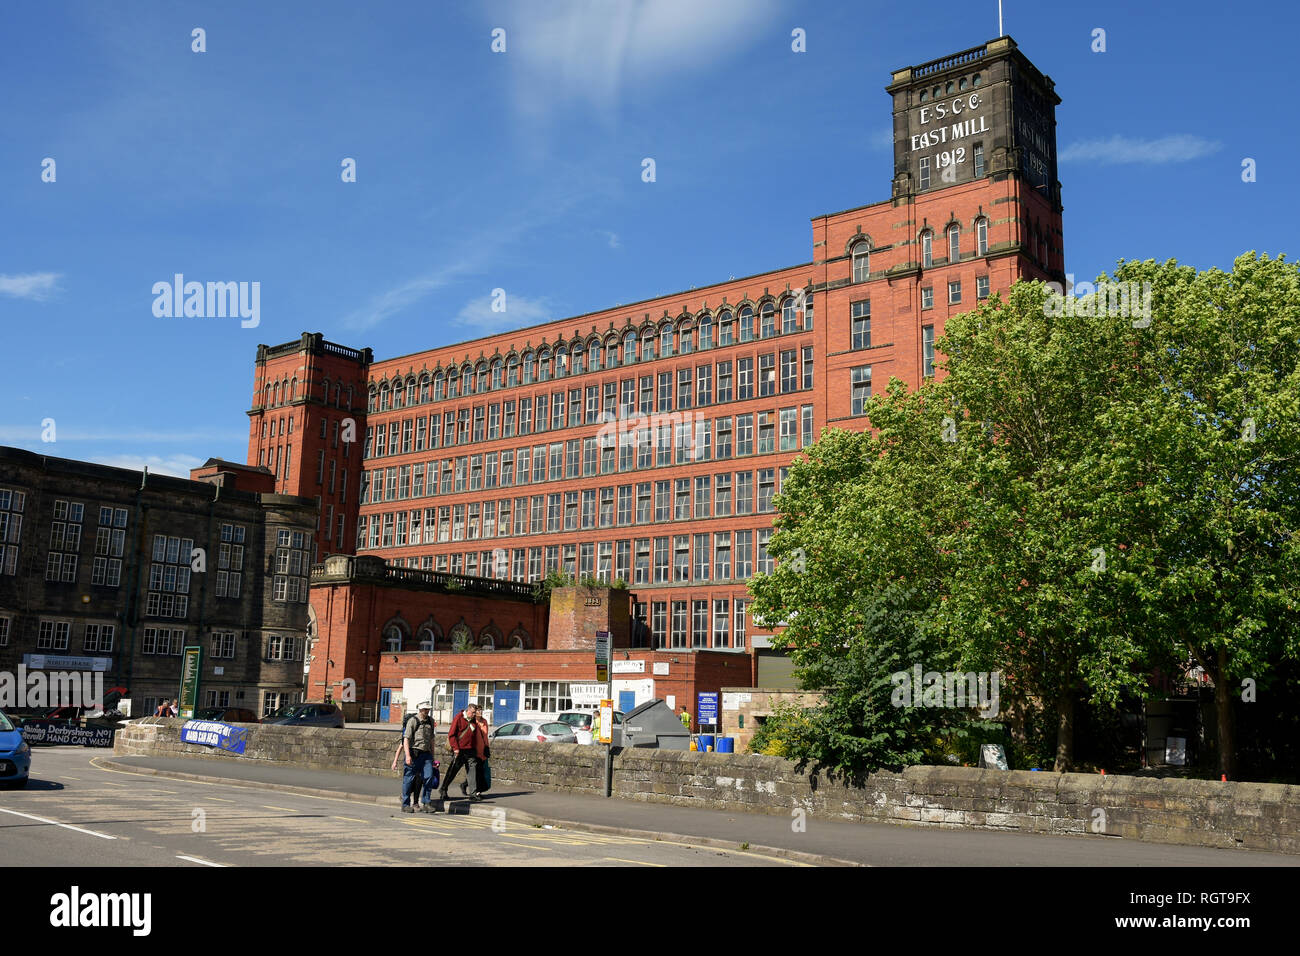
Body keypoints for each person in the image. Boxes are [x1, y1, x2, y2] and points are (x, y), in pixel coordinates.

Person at [440, 702, 488, 804]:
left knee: (472, 771)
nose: (475, 715)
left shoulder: (473, 720)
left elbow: (474, 736)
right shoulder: (458, 718)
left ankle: (473, 793)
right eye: (474, 713)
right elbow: (451, 735)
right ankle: (443, 789)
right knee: (452, 771)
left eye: (476, 713)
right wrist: (455, 748)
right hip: (460, 750)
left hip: (471, 750)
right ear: (468, 711)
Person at [398, 702, 439, 813]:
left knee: (429, 777)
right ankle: (405, 804)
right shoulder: (413, 721)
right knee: (408, 779)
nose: (427, 711)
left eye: (428, 709)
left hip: (426, 755)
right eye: (425, 709)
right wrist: (407, 755)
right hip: (414, 753)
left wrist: (433, 756)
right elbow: (406, 739)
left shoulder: (430, 721)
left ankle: (426, 802)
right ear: (420, 710)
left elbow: (431, 740)